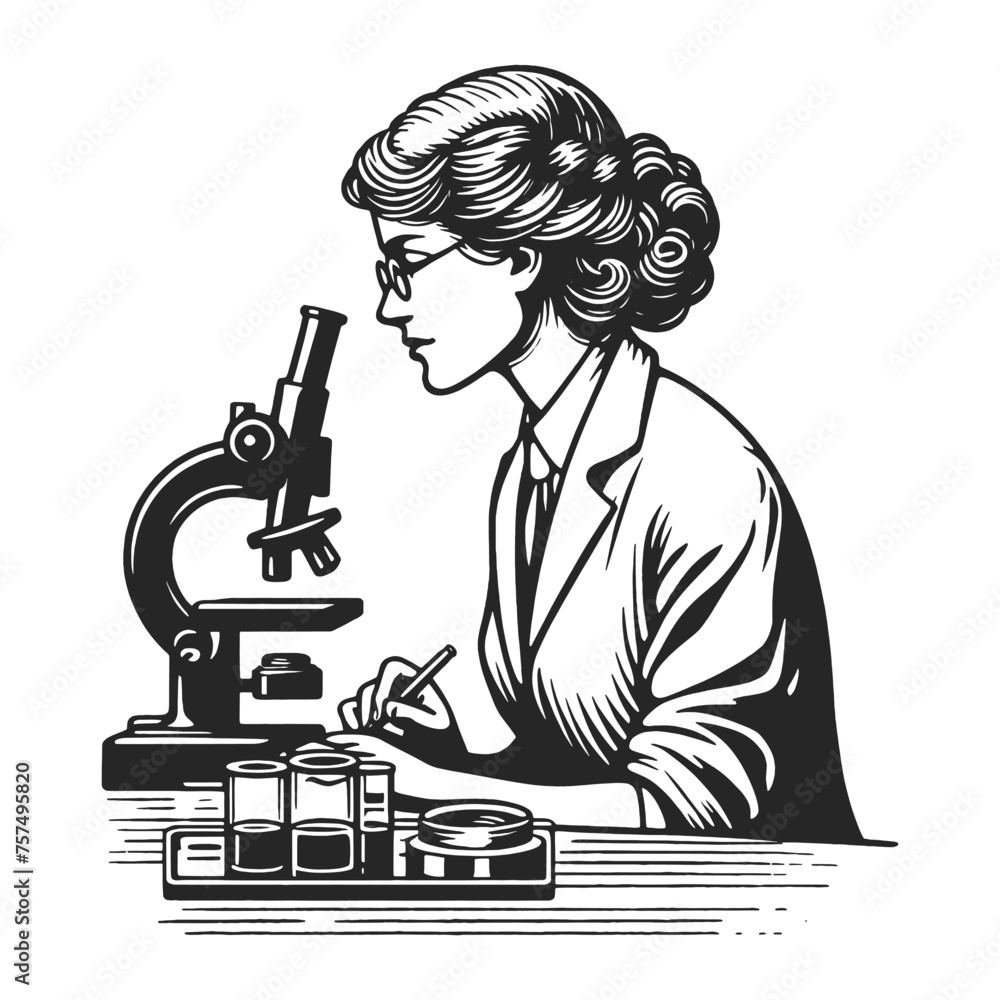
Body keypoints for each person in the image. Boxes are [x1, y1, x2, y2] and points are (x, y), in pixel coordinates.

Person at [327, 66, 862, 842]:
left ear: (515, 255)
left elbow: (691, 811)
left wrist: (431, 789)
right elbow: (576, 764)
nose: (389, 304)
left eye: (409, 263)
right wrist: (458, 755)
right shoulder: (531, 466)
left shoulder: (704, 479)